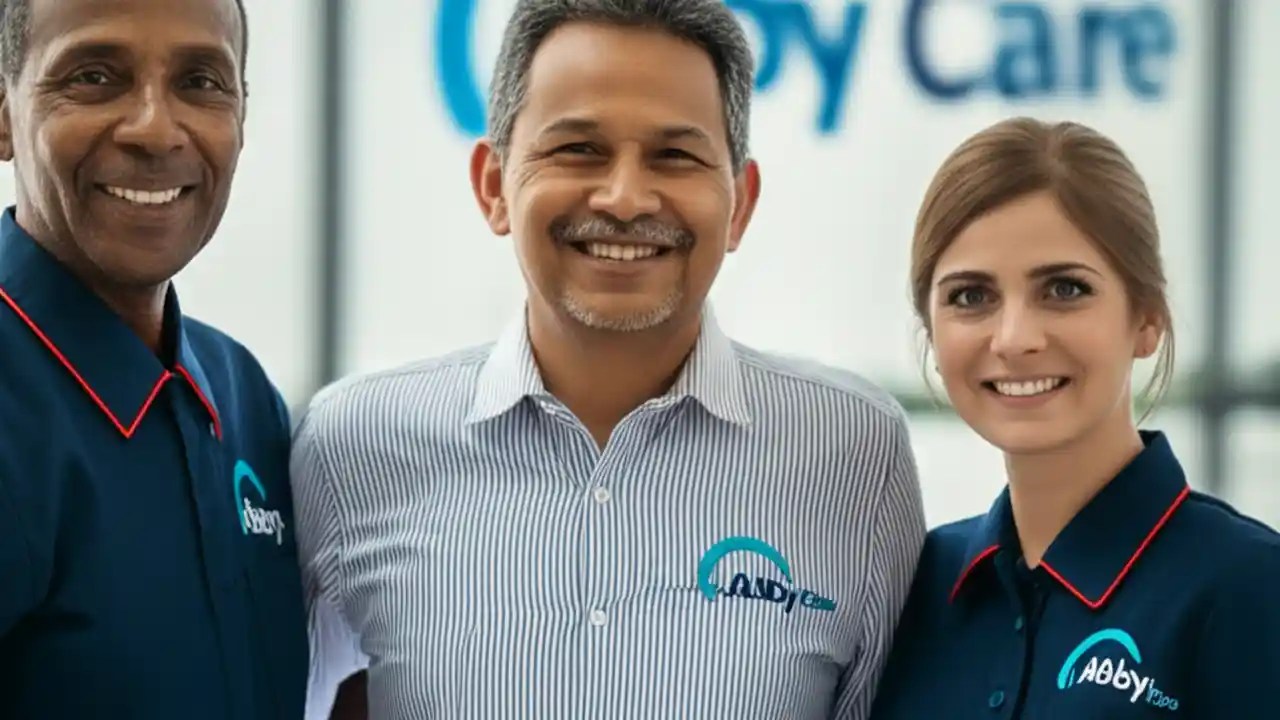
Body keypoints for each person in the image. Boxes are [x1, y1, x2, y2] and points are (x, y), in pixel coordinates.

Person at [289, 1, 926, 718]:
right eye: (578, 150)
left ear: (740, 203)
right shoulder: (351, 447)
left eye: (674, 156)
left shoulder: (854, 452)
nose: (625, 198)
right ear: (493, 184)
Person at [869, 117, 1280, 719]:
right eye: (970, 297)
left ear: (1147, 319)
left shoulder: (1247, 587)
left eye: (1063, 289)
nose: (1014, 339)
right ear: (931, 332)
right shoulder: (918, 583)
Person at [0, 0, 308, 718]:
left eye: (201, 82)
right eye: (95, 75)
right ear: (6, 114)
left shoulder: (241, 395)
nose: (154, 129)